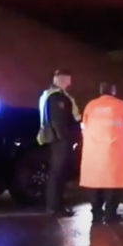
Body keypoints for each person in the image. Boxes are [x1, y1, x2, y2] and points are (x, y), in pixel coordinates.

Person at [80, 82, 123, 223]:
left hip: (94, 151)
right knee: (114, 183)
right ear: (113, 91)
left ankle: (96, 213)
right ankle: (110, 213)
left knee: (96, 182)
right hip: (114, 150)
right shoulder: (119, 105)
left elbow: (84, 125)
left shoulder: (91, 105)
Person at [37, 69, 81, 217]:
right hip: (60, 140)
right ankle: (55, 207)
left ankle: (55, 206)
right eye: (69, 79)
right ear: (63, 79)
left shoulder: (52, 95)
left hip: (56, 139)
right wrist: (66, 139)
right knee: (58, 174)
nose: (71, 82)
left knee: (57, 173)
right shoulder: (57, 98)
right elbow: (59, 121)